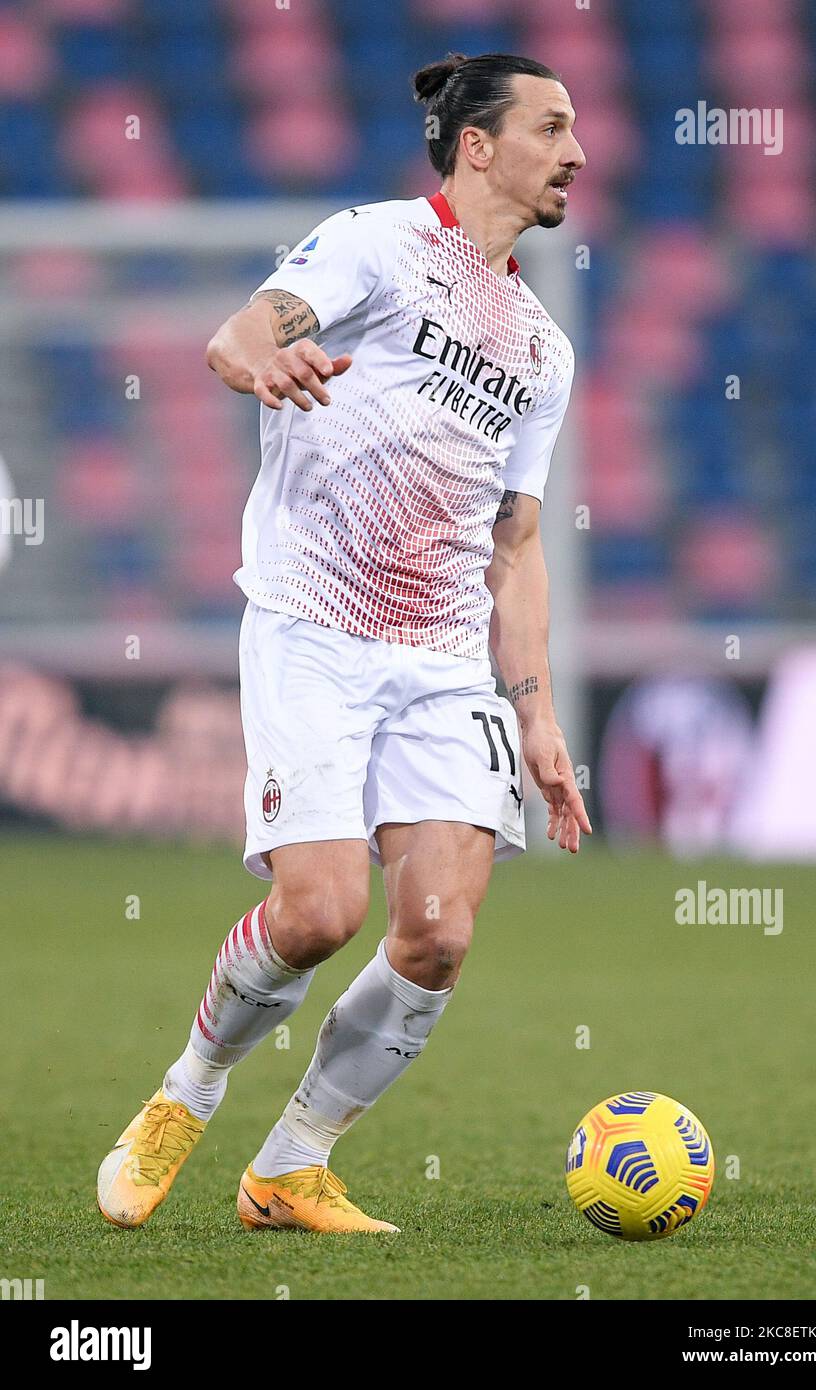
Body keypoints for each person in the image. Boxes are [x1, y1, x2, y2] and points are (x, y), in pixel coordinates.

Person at [97, 52, 590, 1235]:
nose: (577, 151)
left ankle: (292, 1164)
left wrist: (538, 714)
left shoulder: (542, 349)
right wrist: (260, 359)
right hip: (314, 623)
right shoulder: (375, 244)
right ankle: (189, 1089)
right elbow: (238, 332)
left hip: (438, 656)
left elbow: (515, 547)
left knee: (436, 933)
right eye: (552, 126)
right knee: (320, 911)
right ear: (478, 143)